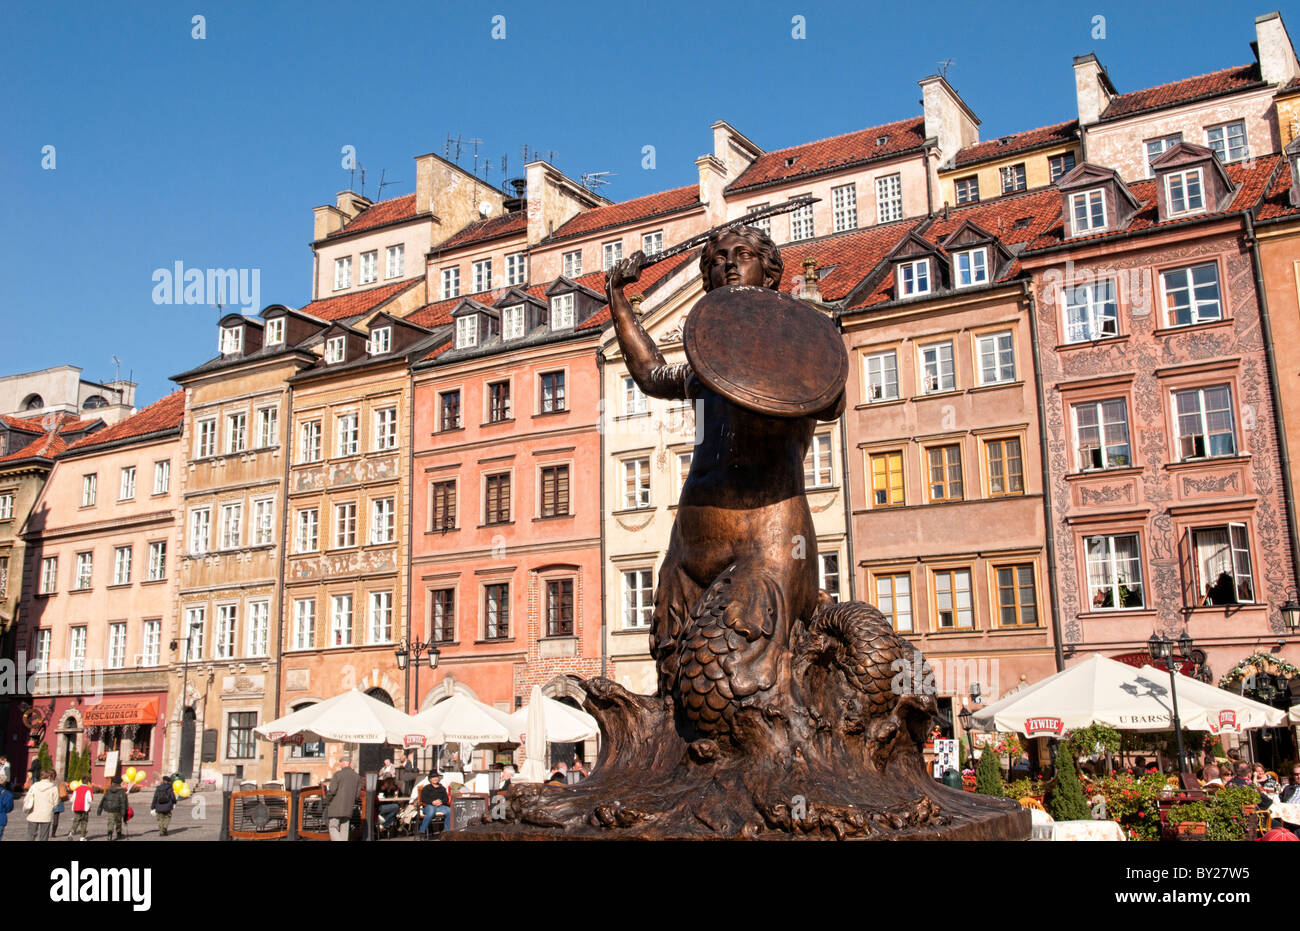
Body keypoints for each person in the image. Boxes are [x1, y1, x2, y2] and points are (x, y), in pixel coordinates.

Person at [607, 227, 845, 747]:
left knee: (752, 668)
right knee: (673, 662)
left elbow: (830, 398)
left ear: (771, 272)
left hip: (769, 529)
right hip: (696, 530)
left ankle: (766, 769)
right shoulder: (705, 368)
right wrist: (618, 298)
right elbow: (650, 374)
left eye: (742, 257)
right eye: (716, 261)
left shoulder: (796, 349)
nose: (729, 266)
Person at [323, 754, 360, 842]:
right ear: (349, 764)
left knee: (333, 827)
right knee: (344, 829)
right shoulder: (357, 776)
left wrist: (327, 800)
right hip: (348, 806)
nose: (340, 765)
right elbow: (357, 795)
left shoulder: (337, 775)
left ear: (344, 763)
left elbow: (332, 791)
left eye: (341, 763)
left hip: (336, 806)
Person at [23, 768, 58, 840]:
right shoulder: (53, 788)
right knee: (44, 836)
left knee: (31, 835)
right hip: (46, 813)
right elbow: (55, 802)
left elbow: (27, 797)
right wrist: (51, 807)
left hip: (33, 812)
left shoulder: (34, 786)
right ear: (49, 777)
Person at [97, 775, 130, 840]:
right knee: (118, 822)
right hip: (118, 809)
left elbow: (103, 799)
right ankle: (119, 834)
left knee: (110, 822)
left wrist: (99, 809)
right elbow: (124, 802)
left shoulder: (108, 790)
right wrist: (125, 813)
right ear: (119, 783)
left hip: (110, 808)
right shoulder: (122, 791)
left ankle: (109, 835)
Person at [419, 772, 451, 836]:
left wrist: (441, 801)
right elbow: (423, 799)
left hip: (440, 806)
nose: (435, 779)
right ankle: (422, 831)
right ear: (430, 779)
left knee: (450, 811)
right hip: (429, 806)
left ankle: (446, 832)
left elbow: (446, 799)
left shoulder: (442, 788)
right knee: (431, 811)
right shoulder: (426, 788)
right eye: (433, 777)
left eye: (436, 777)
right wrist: (432, 802)